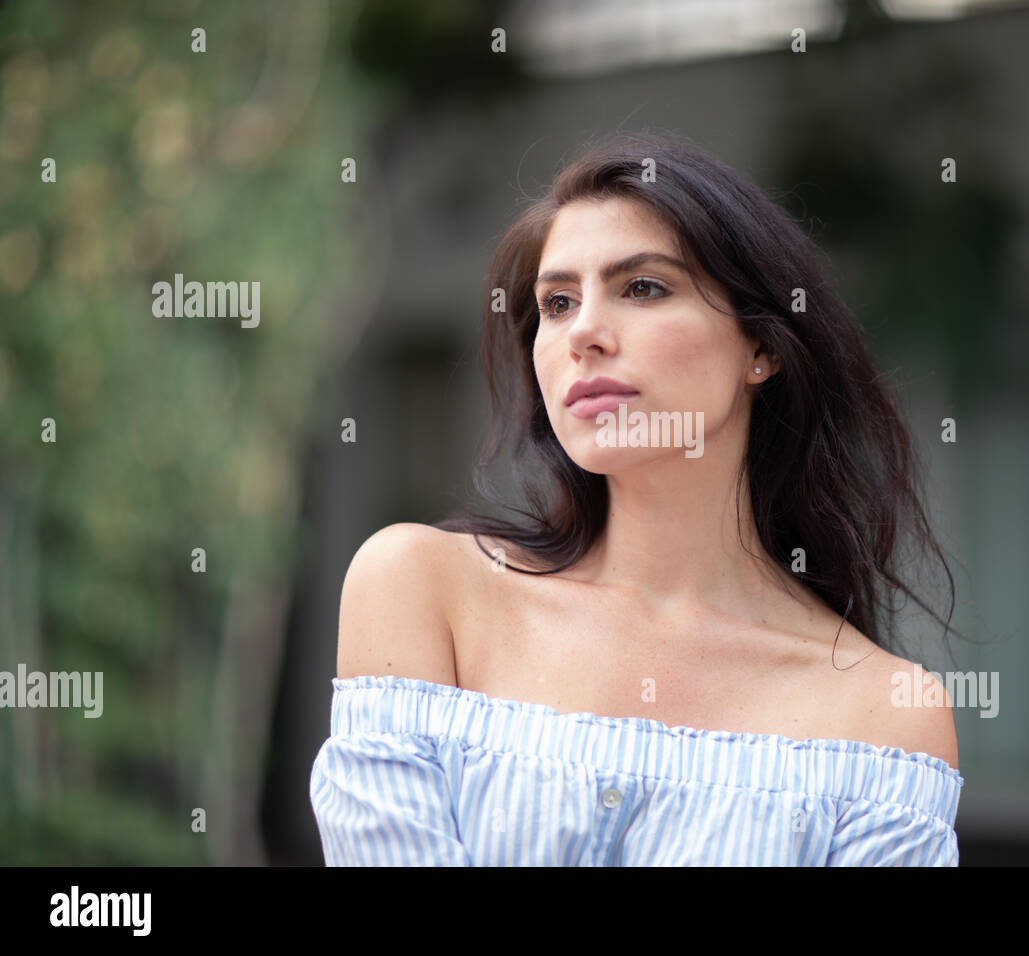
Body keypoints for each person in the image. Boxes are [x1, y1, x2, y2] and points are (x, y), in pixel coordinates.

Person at [310, 130, 965, 865]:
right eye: (556, 303)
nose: (583, 331)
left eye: (643, 287)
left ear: (763, 346)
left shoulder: (883, 718)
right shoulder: (421, 591)